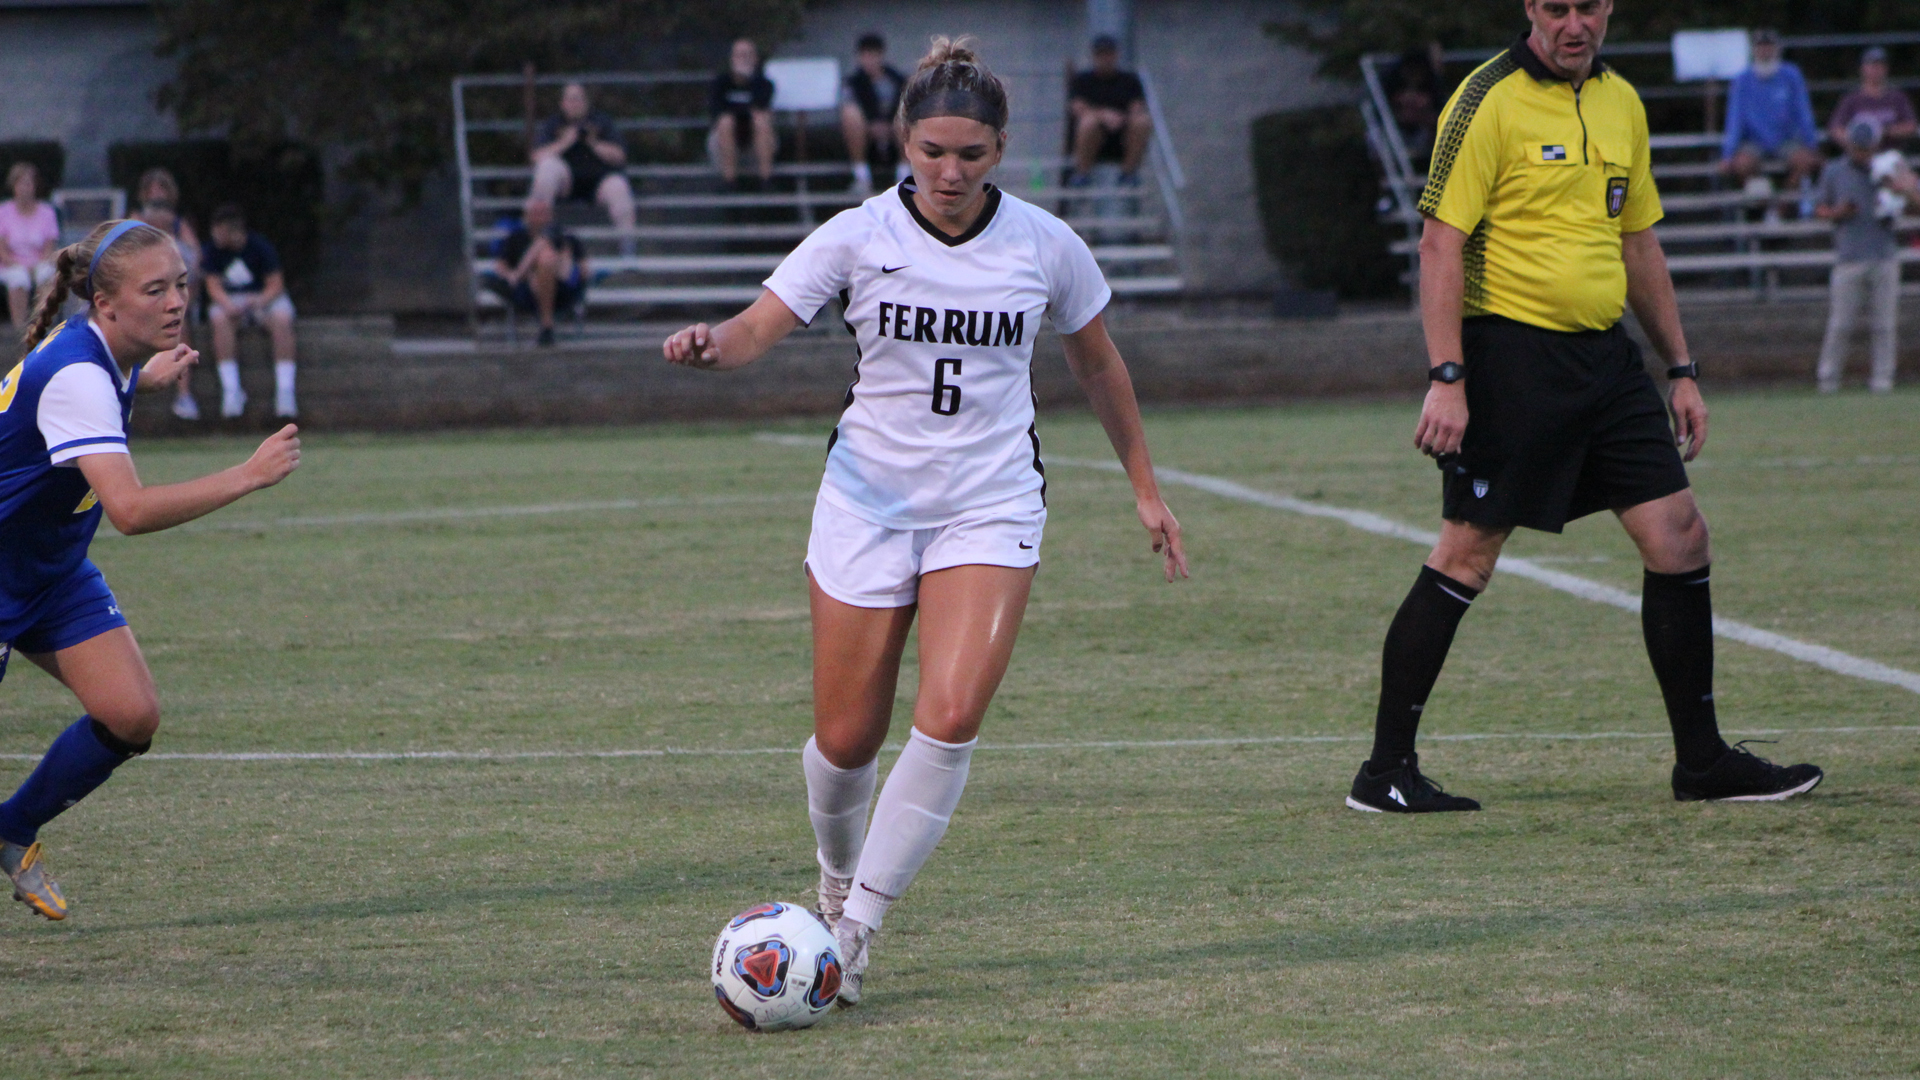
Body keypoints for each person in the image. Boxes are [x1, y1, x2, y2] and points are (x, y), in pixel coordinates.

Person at [663, 36, 1188, 1006]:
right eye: (933, 152)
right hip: (866, 504)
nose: (950, 172)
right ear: (903, 142)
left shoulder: (1045, 244)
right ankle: (835, 876)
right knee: (846, 740)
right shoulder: (857, 235)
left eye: (971, 155)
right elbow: (756, 328)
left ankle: (853, 933)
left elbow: (1099, 365)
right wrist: (709, 346)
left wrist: (1145, 488)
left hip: (989, 505)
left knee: (948, 719)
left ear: (1000, 151)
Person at [1352, 0, 1824, 814]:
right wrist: (1447, 377)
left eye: (1590, 6)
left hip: (1607, 361)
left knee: (1679, 535)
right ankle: (1384, 772)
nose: (1575, 24)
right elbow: (1439, 243)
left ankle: (1702, 763)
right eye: (1557, 7)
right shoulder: (1485, 98)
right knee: (1466, 555)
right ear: (1531, 9)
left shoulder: (1621, 101)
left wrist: (1681, 368)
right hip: (1509, 361)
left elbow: (1638, 241)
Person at [0, 219, 300, 920]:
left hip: (48, 571)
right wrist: (248, 474)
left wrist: (141, 378)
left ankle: (12, 828)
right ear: (105, 304)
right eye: (155, 290)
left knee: (130, 715)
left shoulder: (103, 354)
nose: (176, 302)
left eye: (182, 285)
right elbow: (130, 511)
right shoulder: (80, 376)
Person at [1814, 119, 1916, 394]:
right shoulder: (1835, 170)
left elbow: (1914, 205)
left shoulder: (1891, 166)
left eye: (1866, 149)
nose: (1862, 154)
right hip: (1849, 257)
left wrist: (1903, 190)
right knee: (1840, 324)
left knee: (1884, 325)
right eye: (1858, 148)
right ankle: (1828, 379)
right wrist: (1839, 212)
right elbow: (1818, 209)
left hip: (1884, 255)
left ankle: (1883, 379)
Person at [202, 204, 297, 419]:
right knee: (218, 318)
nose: (214, 235)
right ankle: (232, 390)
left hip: (262, 298)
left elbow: (276, 284)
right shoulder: (212, 251)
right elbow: (213, 286)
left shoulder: (260, 246)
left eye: (219, 230)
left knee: (282, 318)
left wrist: (259, 301)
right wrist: (228, 305)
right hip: (231, 300)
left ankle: (285, 391)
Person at [129, 168, 206, 421]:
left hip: (172, 300)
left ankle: (184, 395)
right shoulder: (135, 221)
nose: (157, 194)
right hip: (140, 299)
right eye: (152, 189)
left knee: (180, 326)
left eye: (161, 189)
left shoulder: (179, 225)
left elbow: (195, 258)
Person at [1718, 29, 1822, 206]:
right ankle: (1763, 206)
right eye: (1760, 47)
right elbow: (1735, 119)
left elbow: (1803, 112)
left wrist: (1812, 145)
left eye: (1769, 46)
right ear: (1753, 50)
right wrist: (1728, 154)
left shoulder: (1791, 75)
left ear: (1777, 49)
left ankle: (1781, 208)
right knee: (1742, 165)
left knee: (1805, 162)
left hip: (1787, 140)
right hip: (1753, 142)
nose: (1765, 51)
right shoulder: (1742, 80)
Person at [530, 83, 637, 244]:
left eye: (578, 99)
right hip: (566, 184)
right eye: (570, 99)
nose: (574, 103)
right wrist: (565, 142)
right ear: (562, 103)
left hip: (599, 183)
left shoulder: (601, 121)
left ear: (586, 102)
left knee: (619, 187)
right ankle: (540, 242)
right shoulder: (554, 123)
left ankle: (628, 250)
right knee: (547, 168)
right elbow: (536, 157)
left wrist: (594, 143)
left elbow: (620, 155)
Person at [480, 197, 586, 348]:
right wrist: (513, 275)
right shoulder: (515, 238)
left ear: (551, 215)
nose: (540, 218)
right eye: (536, 213)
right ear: (526, 216)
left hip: (561, 287)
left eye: (543, 213)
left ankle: (546, 324)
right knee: (544, 256)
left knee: (546, 255)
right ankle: (547, 325)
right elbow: (501, 266)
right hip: (526, 291)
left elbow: (584, 269)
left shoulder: (565, 237)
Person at [1068, 35, 1153, 184]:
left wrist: (1119, 118)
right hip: (1093, 137)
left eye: (1108, 54)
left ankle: (1128, 173)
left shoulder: (1129, 80)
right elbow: (1077, 107)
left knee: (1142, 121)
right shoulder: (1083, 80)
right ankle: (1082, 174)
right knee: (1088, 122)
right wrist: (1103, 115)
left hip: (1123, 135)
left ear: (1116, 55)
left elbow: (1137, 107)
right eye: (1100, 54)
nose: (1104, 59)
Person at [841, 33, 908, 194]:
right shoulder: (853, 83)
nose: (869, 61)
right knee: (849, 113)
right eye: (865, 56)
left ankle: (905, 176)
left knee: (907, 114)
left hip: (895, 132)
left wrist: (888, 125)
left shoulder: (898, 80)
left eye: (873, 55)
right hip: (865, 134)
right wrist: (872, 124)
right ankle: (861, 176)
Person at [0, 163, 60, 331]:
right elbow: (2, 251)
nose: (24, 188)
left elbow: (49, 248)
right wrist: (20, 265)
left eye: (28, 183)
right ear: (13, 186)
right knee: (19, 279)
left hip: (40, 261)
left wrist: (36, 265)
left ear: (34, 186)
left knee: (46, 275)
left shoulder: (47, 212)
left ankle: (42, 327)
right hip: (10, 264)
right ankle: (19, 330)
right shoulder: (3, 212)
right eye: (20, 184)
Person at [709, 38, 776, 187]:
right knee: (726, 122)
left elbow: (761, 106)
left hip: (755, 132)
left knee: (761, 120)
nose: (743, 59)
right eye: (739, 55)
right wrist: (743, 109)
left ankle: (766, 180)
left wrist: (747, 81)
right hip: (726, 132)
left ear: (755, 59)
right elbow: (716, 111)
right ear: (732, 58)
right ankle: (729, 181)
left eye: (748, 55)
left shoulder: (764, 84)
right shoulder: (720, 82)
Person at [1827, 46, 1918, 150]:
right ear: (1862, 68)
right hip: (1860, 153)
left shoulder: (1897, 97)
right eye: (1871, 65)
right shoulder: (1851, 99)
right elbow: (1835, 128)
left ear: (1886, 69)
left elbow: (1911, 125)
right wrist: (1857, 140)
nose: (1876, 69)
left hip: (1890, 152)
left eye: (1880, 66)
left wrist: (1884, 131)